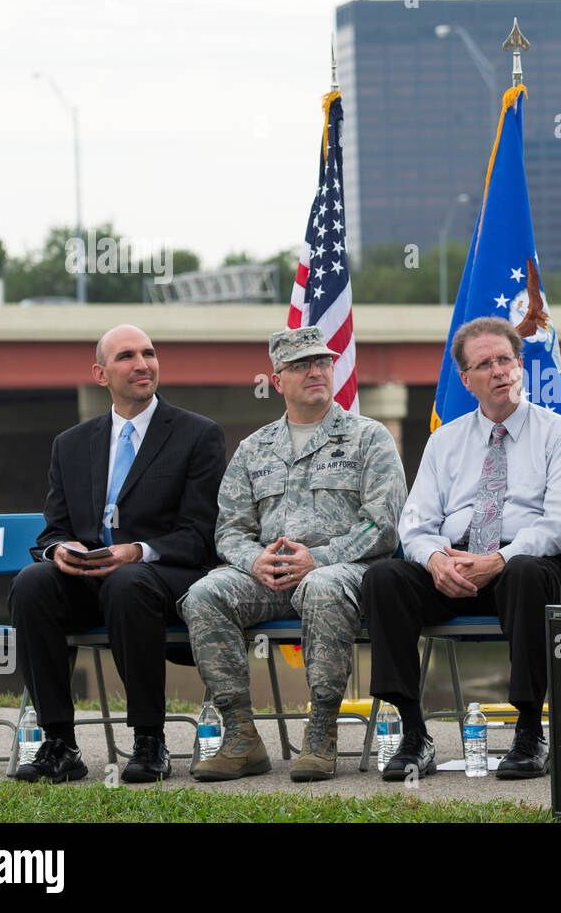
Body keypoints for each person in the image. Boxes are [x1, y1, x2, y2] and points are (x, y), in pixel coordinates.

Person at [359, 316, 561, 781]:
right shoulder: (445, 441)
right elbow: (415, 523)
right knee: (383, 578)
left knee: (526, 572)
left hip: (522, 565)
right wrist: (437, 560)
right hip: (455, 566)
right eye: (485, 364)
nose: (499, 370)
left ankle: (529, 731)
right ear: (466, 380)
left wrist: (499, 559)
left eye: (506, 359)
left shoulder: (559, 434)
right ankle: (413, 733)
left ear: (520, 366)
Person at [179, 327, 406, 783]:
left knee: (321, 586)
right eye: (301, 365)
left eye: (322, 362)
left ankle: (321, 730)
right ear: (277, 379)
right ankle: (241, 735)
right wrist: (253, 561)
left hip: (346, 575)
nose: (315, 371)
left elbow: (382, 522)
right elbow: (231, 529)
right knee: (205, 594)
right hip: (270, 577)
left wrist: (319, 558)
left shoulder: (368, 437)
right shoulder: (254, 448)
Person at [8, 324, 226, 783]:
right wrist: (59, 550)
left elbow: (202, 535)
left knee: (128, 583)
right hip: (89, 577)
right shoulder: (70, 444)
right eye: (126, 356)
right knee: (31, 582)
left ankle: (150, 740)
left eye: (148, 353)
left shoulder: (198, 435)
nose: (142, 363)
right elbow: (54, 529)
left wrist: (138, 551)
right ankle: (59, 742)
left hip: (164, 576)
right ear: (101, 374)